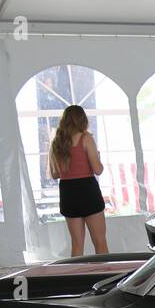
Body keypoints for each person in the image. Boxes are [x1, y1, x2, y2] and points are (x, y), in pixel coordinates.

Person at [49, 105, 108, 257]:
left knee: (77, 245)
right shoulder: (86, 138)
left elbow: (55, 174)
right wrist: (98, 158)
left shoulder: (57, 142)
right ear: (82, 120)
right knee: (100, 242)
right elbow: (98, 170)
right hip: (87, 190)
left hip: (68, 192)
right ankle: (105, 276)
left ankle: (77, 277)